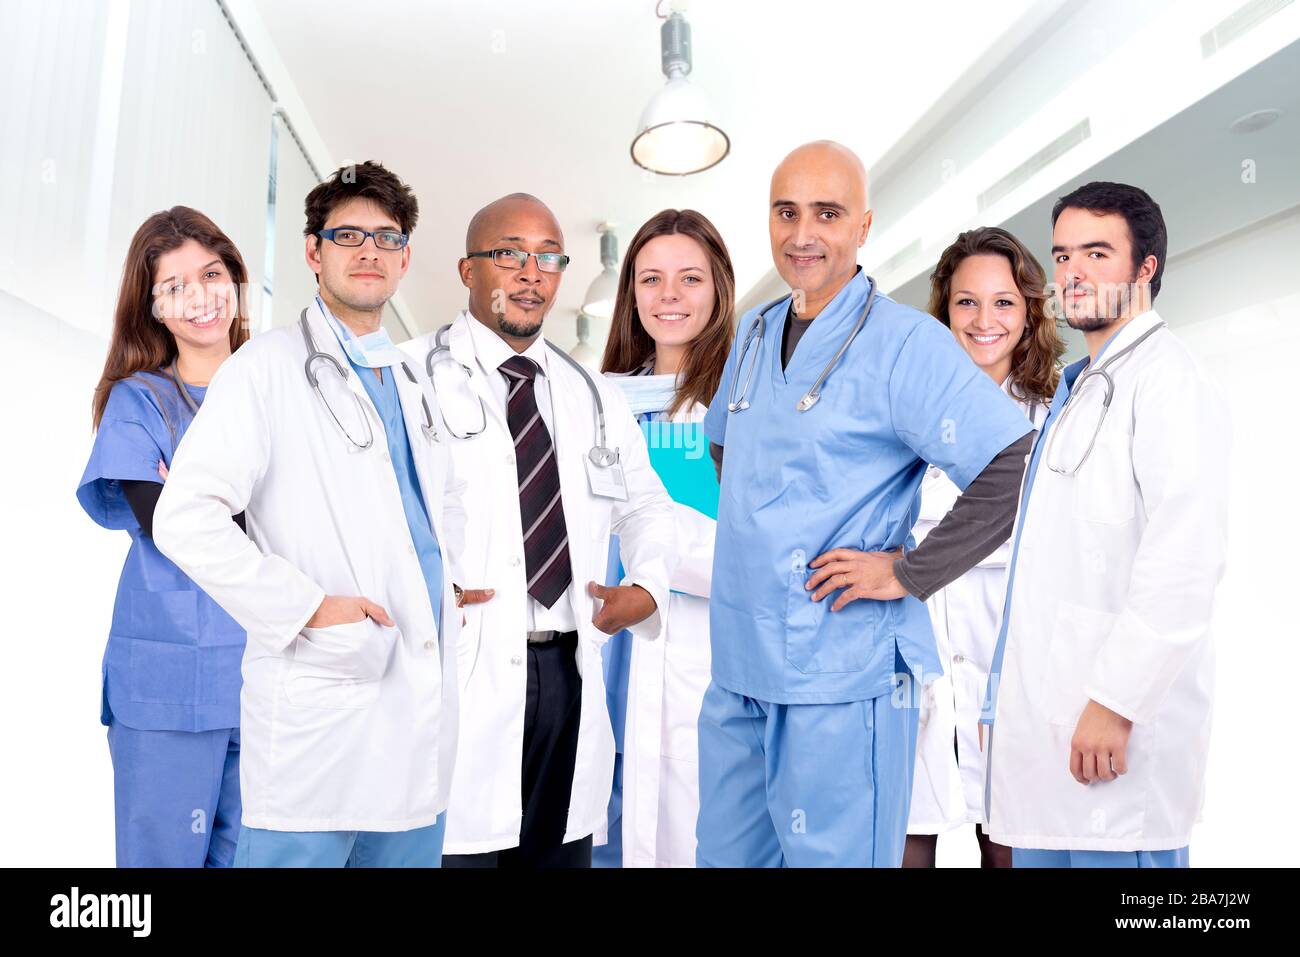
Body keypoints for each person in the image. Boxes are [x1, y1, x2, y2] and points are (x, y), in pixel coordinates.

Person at [698, 141, 1035, 867]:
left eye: (827, 213)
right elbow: (730, 448)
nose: (802, 234)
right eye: (786, 213)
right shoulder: (754, 333)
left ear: (863, 226)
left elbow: (1013, 465)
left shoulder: (905, 342)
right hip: (739, 665)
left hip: (840, 672)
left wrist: (907, 571)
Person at [153, 161, 465, 867]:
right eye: (347, 233)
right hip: (320, 727)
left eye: (387, 238)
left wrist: (451, 582)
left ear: (406, 258)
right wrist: (305, 606)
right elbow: (183, 518)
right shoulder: (263, 369)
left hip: (417, 727)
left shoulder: (417, 379)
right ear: (312, 250)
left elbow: (427, 509)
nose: (368, 251)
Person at [402, 193, 675, 868]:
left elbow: (643, 505)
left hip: (568, 669)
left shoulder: (592, 394)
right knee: (459, 853)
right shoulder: (410, 376)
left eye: (547, 257)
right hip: (462, 665)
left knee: (558, 854)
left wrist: (648, 584)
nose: (530, 272)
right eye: (509, 254)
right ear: (469, 270)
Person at [982, 182, 1230, 868]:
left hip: (1115, 748)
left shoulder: (1169, 382)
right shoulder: (1078, 386)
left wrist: (1117, 702)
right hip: (1050, 745)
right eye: (1063, 256)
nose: (1073, 274)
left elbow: (1184, 561)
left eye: (1097, 252)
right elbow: (1043, 572)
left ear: (1146, 267)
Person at [77, 207, 249, 867]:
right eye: (174, 285)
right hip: (167, 685)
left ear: (234, 277)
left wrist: (198, 493)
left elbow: (319, 518)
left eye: (211, 273)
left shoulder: (284, 387)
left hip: (272, 679)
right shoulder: (138, 401)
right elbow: (171, 525)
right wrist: (221, 506)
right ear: (151, 307)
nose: (200, 296)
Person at [902, 227, 1063, 869]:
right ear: (944, 314)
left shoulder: (1055, 420)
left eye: (1003, 302)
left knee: (1010, 851)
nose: (984, 320)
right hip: (918, 672)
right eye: (966, 302)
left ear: (1028, 312)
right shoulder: (905, 420)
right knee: (906, 844)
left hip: (1017, 672)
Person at [595, 208, 734, 867]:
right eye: (651, 279)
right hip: (605, 655)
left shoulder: (741, 404)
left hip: (697, 653)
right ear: (631, 295)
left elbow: (754, 547)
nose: (669, 295)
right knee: (606, 821)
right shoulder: (600, 402)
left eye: (690, 278)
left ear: (719, 289)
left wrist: (653, 544)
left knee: (688, 833)